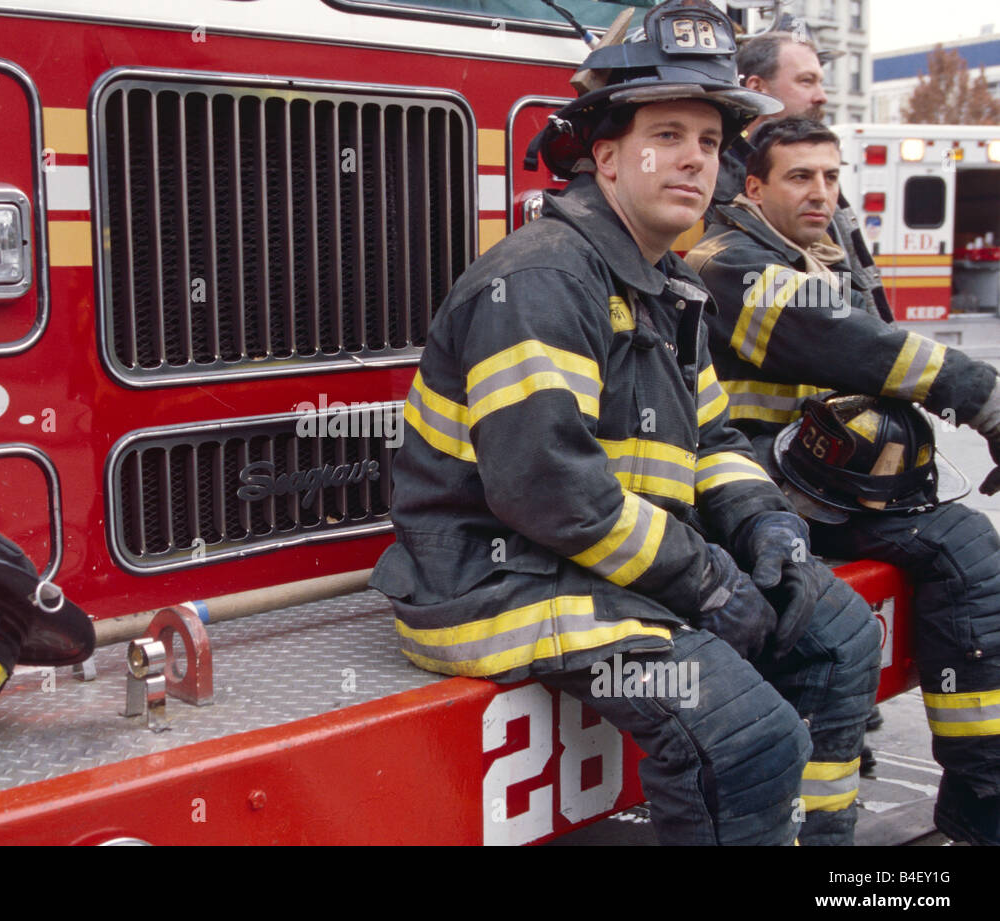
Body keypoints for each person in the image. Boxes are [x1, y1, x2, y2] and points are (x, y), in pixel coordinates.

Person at [370, 0, 881, 846]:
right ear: (606, 155)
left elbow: (712, 440)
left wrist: (767, 527)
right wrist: (709, 583)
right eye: (668, 134)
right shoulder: (541, 281)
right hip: (499, 586)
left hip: (596, 569)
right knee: (744, 739)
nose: (695, 160)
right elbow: (551, 492)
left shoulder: (668, 286)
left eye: (711, 143)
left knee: (838, 634)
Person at [687, 116, 1000, 846]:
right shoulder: (727, 262)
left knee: (966, 549)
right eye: (801, 177)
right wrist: (983, 399)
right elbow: (847, 342)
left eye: (831, 177)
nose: (822, 192)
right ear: (754, 188)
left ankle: (982, 794)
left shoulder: (815, 254)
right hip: (752, 492)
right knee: (904, 589)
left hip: (824, 486)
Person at [711, 30, 893, 323]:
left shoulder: (814, 176)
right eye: (806, 81)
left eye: (830, 177)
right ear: (757, 87)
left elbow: (847, 283)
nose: (821, 97)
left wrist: (870, 329)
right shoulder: (717, 182)